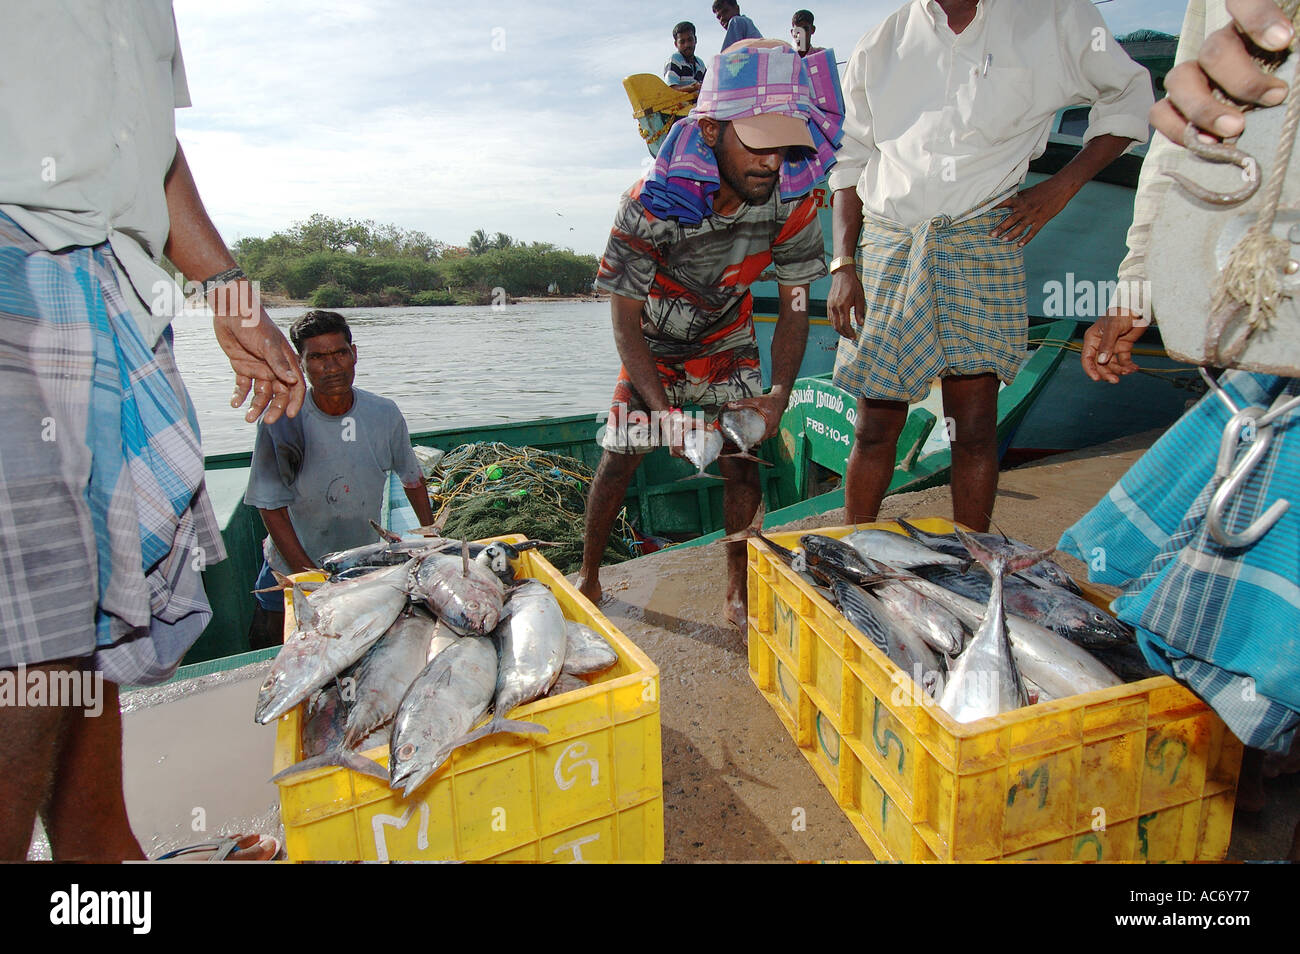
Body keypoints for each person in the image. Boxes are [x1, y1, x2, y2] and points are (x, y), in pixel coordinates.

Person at [0, 3, 302, 862]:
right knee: (29, 644)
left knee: (79, 636)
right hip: (16, 258)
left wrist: (227, 289)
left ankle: (109, 869)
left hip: (115, 290)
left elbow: (151, 145)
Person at [1070, 0, 1300, 860]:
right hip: (1270, 330)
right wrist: (1138, 287)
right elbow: (1177, 144)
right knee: (1243, 630)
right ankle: (1240, 780)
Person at [827, 0, 1153, 531]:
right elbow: (852, 158)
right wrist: (843, 263)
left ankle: (973, 563)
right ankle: (858, 550)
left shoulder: (1054, 17)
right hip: (889, 242)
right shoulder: (880, 43)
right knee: (874, 424)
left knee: (973, 427)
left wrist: (1061, 187)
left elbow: (1130, 93)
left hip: (983, 235)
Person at [578, 40, 844, 628]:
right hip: (653, 346)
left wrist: (778, 394)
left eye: (784, 143)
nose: (772, 161)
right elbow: (623, 320)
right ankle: (591, 574)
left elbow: (796, 304)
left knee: (744, 459)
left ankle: (737, 591)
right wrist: (660, 411)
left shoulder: (794, 199)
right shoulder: (650, 203)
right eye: (756, 140)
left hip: (728, 341)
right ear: (713, 127)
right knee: (619, 457)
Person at [244, 310, 435, 648]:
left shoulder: (384, 413)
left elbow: (412, 479)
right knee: (275, 646)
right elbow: (270, 506)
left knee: (353, 645)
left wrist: (433, 537)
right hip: (292, 566)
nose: (331, 367)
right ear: (300, 363)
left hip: (360, 565)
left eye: (339, 353)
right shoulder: (282, 420)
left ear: (354, 354)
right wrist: (307, 574)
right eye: (317, 357)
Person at [665, 21, 707, 95]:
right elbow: (671, 89)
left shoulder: (700, 63)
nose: (687, 45)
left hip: (701, 104)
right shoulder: (675, 59)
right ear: (676, 44)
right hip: (682, 105)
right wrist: (693, 87)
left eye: (690, 40)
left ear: (695, 40)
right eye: (682, 42)